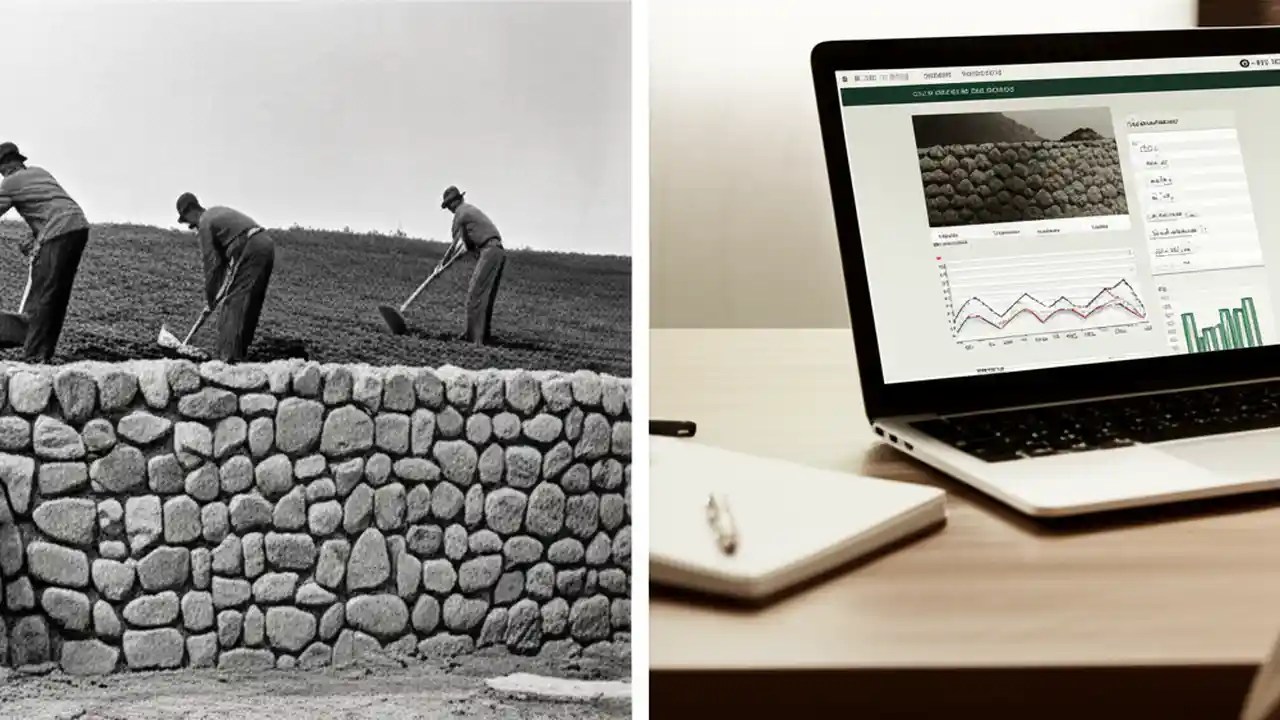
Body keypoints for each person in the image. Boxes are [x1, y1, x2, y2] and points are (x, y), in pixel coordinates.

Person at [0, 142, 91, 363]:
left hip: (57, 232)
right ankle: (41, 351)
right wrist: (35, 237)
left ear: (7, 166)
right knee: (56, 295)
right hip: (77, 227)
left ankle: (34, 355)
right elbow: (51, 206)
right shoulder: (39, 173)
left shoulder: (11, 182)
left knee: (45, 296)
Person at [175, 193, 275, 363]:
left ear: (190, 211)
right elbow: (225, 267)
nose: (193, 228)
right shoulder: (217, 214)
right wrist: (215, 294)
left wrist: (211, 298)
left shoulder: (205, 221)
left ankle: (227, 359)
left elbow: (211, 264)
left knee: (233, 303)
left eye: (190, 224)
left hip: (250, 246)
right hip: (264, 244)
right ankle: (240, 355)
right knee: (249, 303)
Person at [441, 185, 506, 345]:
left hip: (489, 250)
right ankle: (483, 335)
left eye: (449, 204)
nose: (449, 208)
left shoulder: (460, 213)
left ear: (456, 201)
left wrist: (443, 264)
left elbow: (456, 244)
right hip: (497, 251)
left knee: (475, 294)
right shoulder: (469, 210)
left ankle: (474, 338)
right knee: (485, 296)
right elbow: (467, 244)